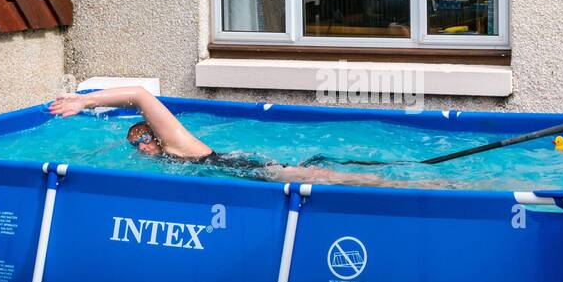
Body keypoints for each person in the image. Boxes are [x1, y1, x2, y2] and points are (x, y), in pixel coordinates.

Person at [48, 87, 416, 187]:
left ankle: (428, 185)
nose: (138, 147)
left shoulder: (178, 146)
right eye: (133, 142)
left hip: (266, 174)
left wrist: (85, 100)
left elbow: (142, 96)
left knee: (354, 182)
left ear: (156, 139)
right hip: (255, 176)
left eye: (141, 138)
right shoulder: (165, 160)